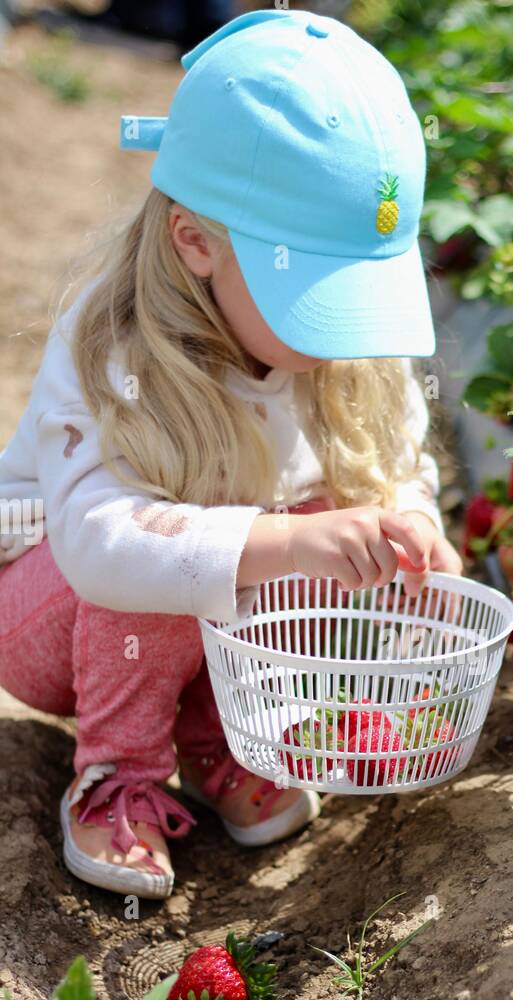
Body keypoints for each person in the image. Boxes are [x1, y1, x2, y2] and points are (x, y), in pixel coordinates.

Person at [0, 10, 461, 899]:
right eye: (319, 294)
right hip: (53, 606)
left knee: (334, 520)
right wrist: (286, 545)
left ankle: (221, 741)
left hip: (194, 603)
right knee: (190, 548)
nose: (348, 331)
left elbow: (401, 460)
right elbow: (105, 543)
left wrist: (409, 521)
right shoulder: (117, 346)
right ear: (197, 243)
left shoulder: (347, 355)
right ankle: (119, 775)